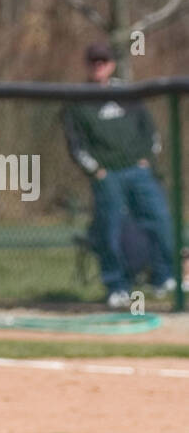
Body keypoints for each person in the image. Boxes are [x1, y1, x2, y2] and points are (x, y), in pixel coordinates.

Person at [62, 42, 178, 308]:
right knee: (109, 229)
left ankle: (163, 277)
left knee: (160, 220)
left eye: (103, 61)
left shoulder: (128, 93)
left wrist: (147, 159)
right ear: (88, 65)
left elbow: (150, 131)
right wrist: (96, 171)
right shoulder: (78, 101)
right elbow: (75, 143)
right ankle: (117, 286)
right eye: (94, 62)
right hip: (107, 176)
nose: (99, 66)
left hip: (138, 171)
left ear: (112, 64)